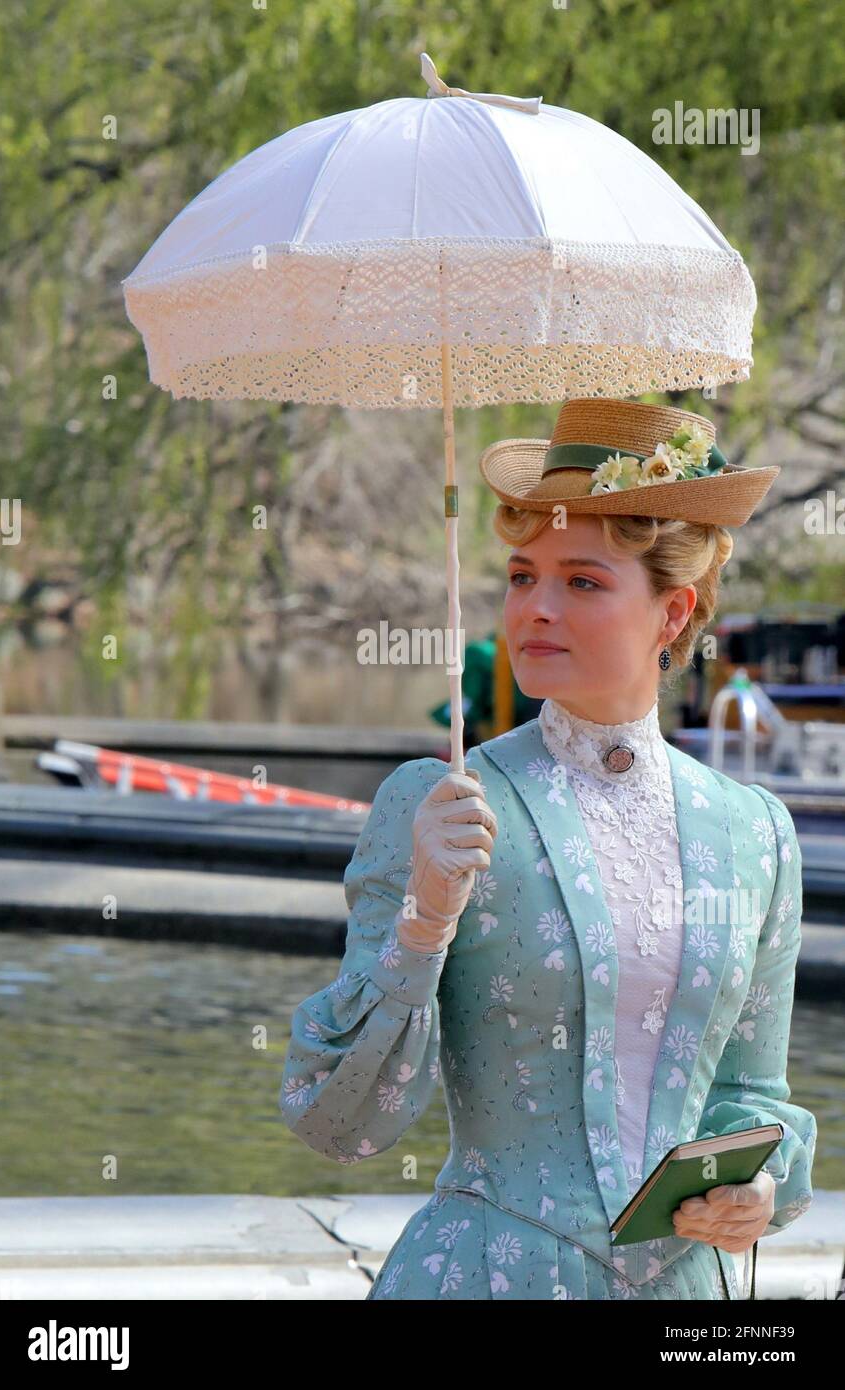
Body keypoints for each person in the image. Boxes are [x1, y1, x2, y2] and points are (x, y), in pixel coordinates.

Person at [278, 398, 817, 1301]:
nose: (535, 606)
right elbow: (342, 1122)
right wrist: (423, 920)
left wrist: (754, 1189)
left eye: (582, 582)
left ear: (672, 612)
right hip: (490, 1276)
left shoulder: (755, 833)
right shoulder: (440, 801)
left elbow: (750, 1095)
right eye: (523, 575)